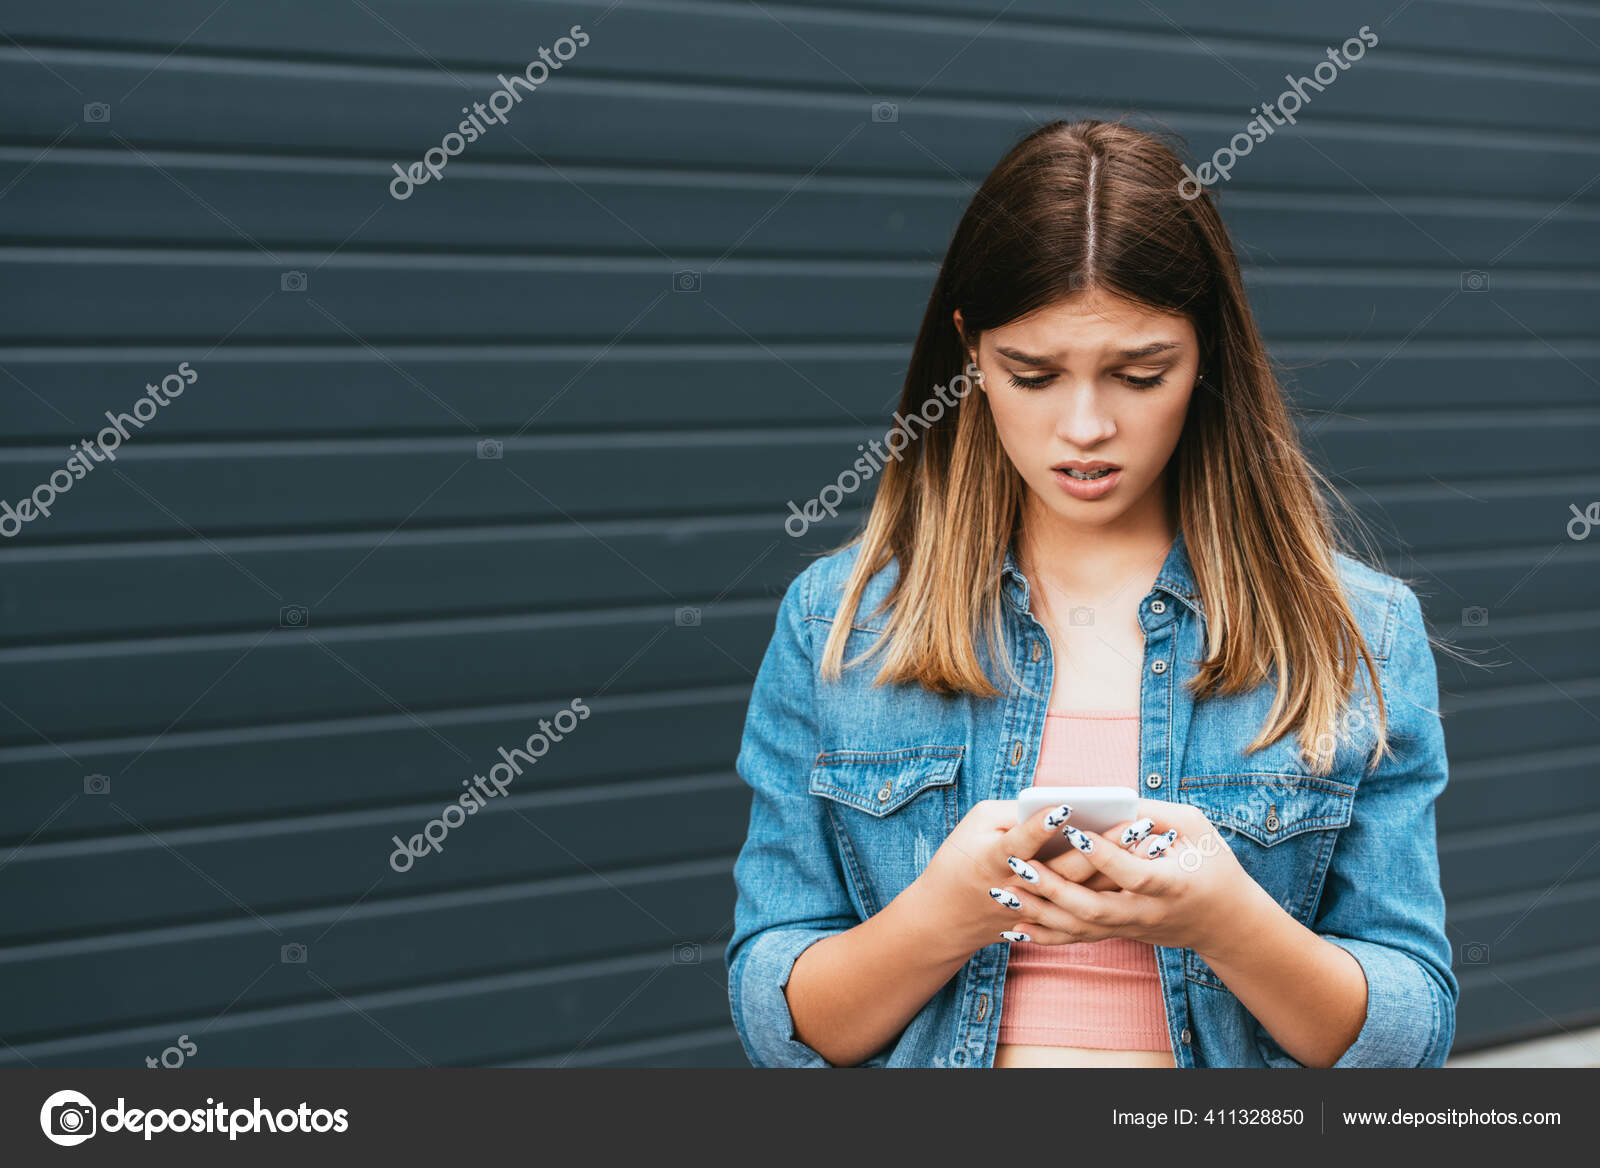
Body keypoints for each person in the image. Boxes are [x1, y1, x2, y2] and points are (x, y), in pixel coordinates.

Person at [724, 118, 1459, 1068]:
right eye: (1032, 375)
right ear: (970, 353)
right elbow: (778, 1027)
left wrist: (1229, 923)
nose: (1085, 427)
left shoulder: (1358, 632)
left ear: (1207, 354)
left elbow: (1409, 1037)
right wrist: (944, 915)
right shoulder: (840, 622)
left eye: (1140, 374)